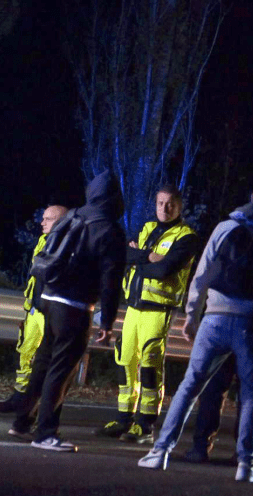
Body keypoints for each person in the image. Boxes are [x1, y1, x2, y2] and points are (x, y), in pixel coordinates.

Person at [138, 176, 253, 482]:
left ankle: (159, 451)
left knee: (191, 384)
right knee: (252, 393)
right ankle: (247, 464)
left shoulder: (227, 226)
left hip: (215, 318)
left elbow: (203, 272)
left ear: (252, 196)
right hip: (252, 323)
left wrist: (192, 315)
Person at [8, 171, 126, 451]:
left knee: (44, 363)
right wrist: (107, 321)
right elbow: (111, 280)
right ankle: (45, 433)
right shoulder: (109, 230)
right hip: (75, 307)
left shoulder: (73, 215)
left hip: (49, 299)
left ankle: (22, 422)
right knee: (61, 370)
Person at [96, 184, 198, 443]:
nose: (165, 208)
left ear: (179, 206)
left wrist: (138, 258)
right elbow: (123, 254)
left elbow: (164, 270)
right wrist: (148, 256)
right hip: (134, 307)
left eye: (171, 203)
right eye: (160, 203)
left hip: (158, 310)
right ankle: (123, 419)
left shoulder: (186, 237)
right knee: (125, 359)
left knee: (150, 364)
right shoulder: (147, 228)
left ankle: (145, 425)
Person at [0, 202, 70, 413]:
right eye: (43, 218)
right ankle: (19, 398)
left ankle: (39, 406)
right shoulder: (43, 240)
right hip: (35, 309)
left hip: (51, 312)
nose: (42, 222)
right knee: (26, 352)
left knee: (47, 361)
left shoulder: (68, 243)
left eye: (48, 219)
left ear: (62, 222)